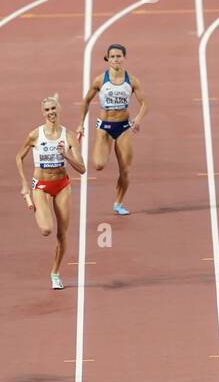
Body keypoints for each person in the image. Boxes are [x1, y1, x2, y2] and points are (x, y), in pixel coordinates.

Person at [17, 95, 87, 290]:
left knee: (62, 234)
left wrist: (66, 155)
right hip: (41, 185)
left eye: (53, 108)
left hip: (62, 185)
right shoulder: (35, 135)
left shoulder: (69, 136)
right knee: (46, 230)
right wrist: (24, 184)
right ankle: (34, 202)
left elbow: (82, 168)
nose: (51, 112)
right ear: (43, 113)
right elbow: (18, 157)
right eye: (47, 110)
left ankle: (55, 273)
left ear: (59, 109)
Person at [78, 44, 150, 216]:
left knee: (125, 170)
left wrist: (138, 119)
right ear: (108, 59)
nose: (116, 59)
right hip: (105, 126)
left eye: (119, 56)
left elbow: (145, 104)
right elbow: (86, 101)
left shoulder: (132, 81)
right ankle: (106, 148)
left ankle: (118, 203)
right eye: (112, 56)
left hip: (124, 127)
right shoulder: (99, 80)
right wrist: (81, 123)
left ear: (124, 58)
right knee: (99, 165)